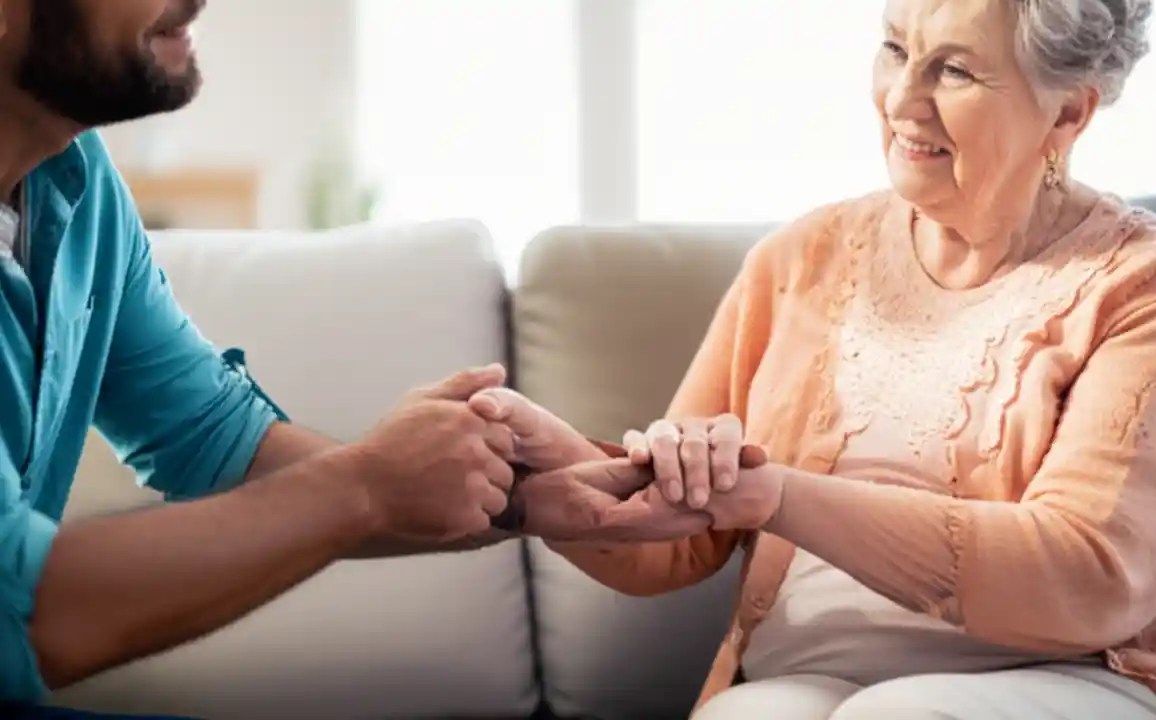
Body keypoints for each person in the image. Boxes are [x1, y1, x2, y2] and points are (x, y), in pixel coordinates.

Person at [471, 0, 1156, 717]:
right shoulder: (803, 257)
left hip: (1086, 673)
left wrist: (778, 496)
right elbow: (675, 539)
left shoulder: (1151, 281)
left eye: (954, 70)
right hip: (808, 672)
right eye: (895, 49)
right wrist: (555, 477)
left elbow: (1090, 576)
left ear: (1068, 111)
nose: (900, 100)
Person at [0, 0, 693, 714]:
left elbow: (211, 440)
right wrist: (366, 486)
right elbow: (27, 611)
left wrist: (520, 500)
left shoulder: (76, 184)